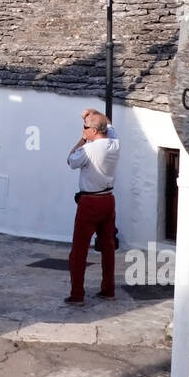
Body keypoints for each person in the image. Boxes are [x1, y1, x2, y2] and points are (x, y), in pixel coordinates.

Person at [64, 109, 120, 304]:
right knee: (108, 246)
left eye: (86, 127)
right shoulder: (114, 142)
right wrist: (94, 112)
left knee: (79, 250)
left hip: (90, 202)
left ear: (94, 131)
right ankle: (108, 289)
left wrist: (81, 140)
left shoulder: (88, 149)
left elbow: (70, 160)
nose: (84, 129)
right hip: (108, 200)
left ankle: (77, 294)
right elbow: (109, 124)